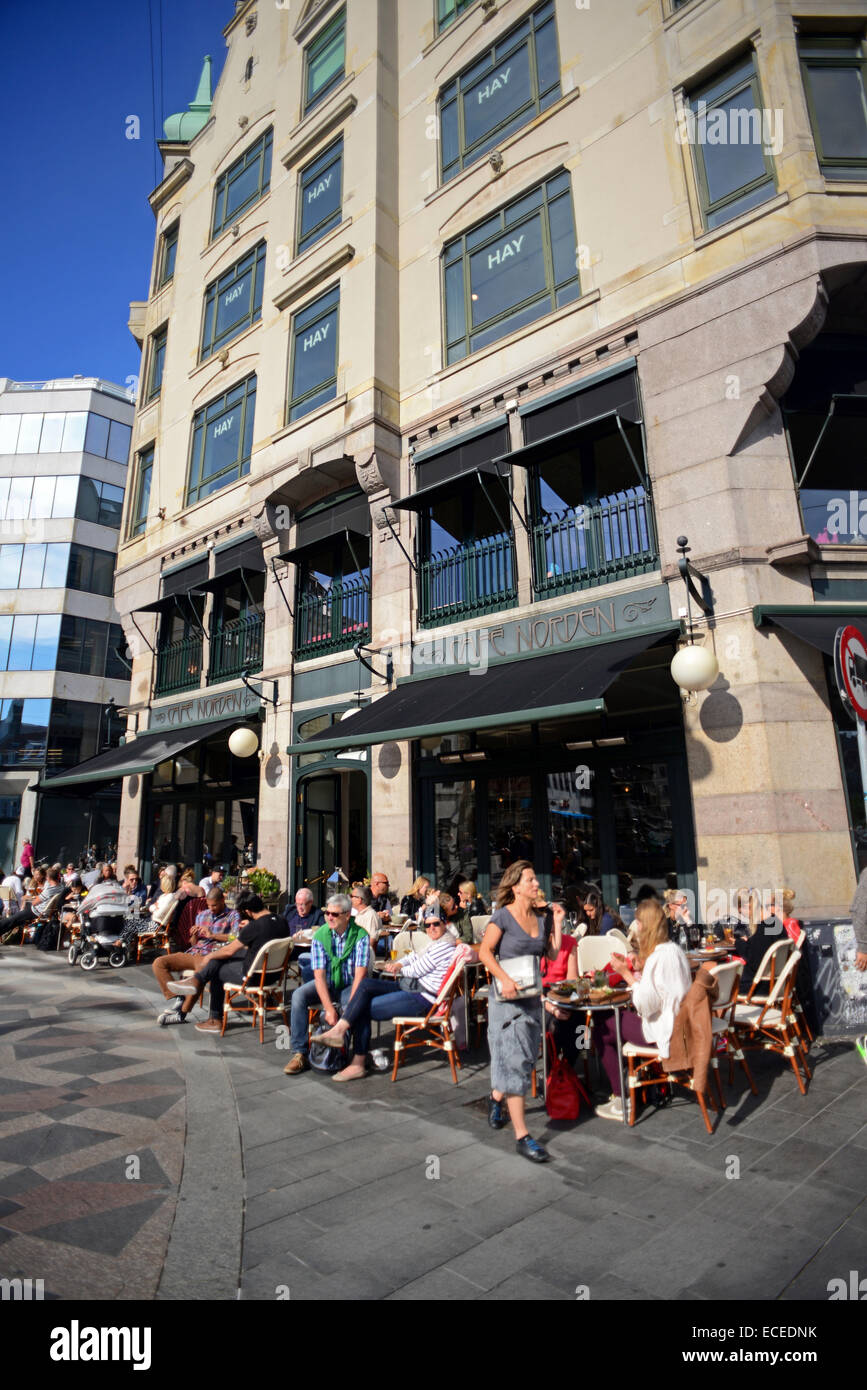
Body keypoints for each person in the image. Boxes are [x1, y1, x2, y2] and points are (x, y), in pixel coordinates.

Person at [479, 860, 563, 1163]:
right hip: (505, 1001)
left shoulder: (541, 919)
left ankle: (496, 1097)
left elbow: (551, 954)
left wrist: (558, 922)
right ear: (516, 886)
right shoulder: (502, 916)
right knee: (515, 1063)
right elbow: (484, 952)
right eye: (530, 880)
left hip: (530, 999)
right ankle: (522, 1136)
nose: (536, 884)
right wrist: (504, 979)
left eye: (535, 880)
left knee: (525, 1060)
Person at [312, 910, 459, 1080]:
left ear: (445, 925)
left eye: (436, 924)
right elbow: (413, 957)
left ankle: (357, 1062)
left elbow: (417, 969)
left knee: (363, 1008)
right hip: (412, 988)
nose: (431, 928)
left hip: (423, 998)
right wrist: (398, 963)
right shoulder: (436, 943)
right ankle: (340, 1031)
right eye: (427, 925)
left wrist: (398, 968)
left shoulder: (444, 947)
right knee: (366, 985)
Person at [593, 898, 693, 1122]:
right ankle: (630, 1084)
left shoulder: (658, 957)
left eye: (637, 922)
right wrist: (641, 967)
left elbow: (646, 1006)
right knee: (608, 1022)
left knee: (601, 1028)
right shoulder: (674, 951)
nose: (635, 926)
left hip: (662, 1030)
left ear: (643, 925)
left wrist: (627, 974)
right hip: (682, 1024)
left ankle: (622, 1099)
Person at [166, 891, 288, 1034]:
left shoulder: (254, 927)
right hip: (274, 975)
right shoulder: (282, 921)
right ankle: (196, 981)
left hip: (252, 977)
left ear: (247, 911)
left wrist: (209, 957)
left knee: (217, 966)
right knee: (222, 959)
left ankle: (215, 1019)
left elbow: (229, 950)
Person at [283, 894, 370, 1075]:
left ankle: (353, 1055)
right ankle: (300, 1053)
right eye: (327, 913)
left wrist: (351, 1007)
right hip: (328, 983)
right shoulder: (321, 935)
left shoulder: (360, 936)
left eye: (335, 914)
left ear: (347, 915)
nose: (329, 917)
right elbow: (319, 976)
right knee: (298, 995)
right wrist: (329, 1009)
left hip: (349, 983)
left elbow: (360, 976)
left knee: (357, 1005)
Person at [153, 888, 241, 1025]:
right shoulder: (202, 915)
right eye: (209, 905)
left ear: (222, 901)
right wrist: (193, 934)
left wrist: (213, 935)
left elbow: (235, 937)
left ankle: (181, 1013)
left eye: (214, 905)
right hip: (194, 952)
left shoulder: (232, 915)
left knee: (200, 973)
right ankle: (178, 997)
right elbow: (193, 942)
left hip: (211, 955)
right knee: (159, 963)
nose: (211, 909)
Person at [349, 884, 382, 955]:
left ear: (359, 900)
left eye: (352, 896)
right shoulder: (359, 914)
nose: (350, 899)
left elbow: (370, 942)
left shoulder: (371, 916)